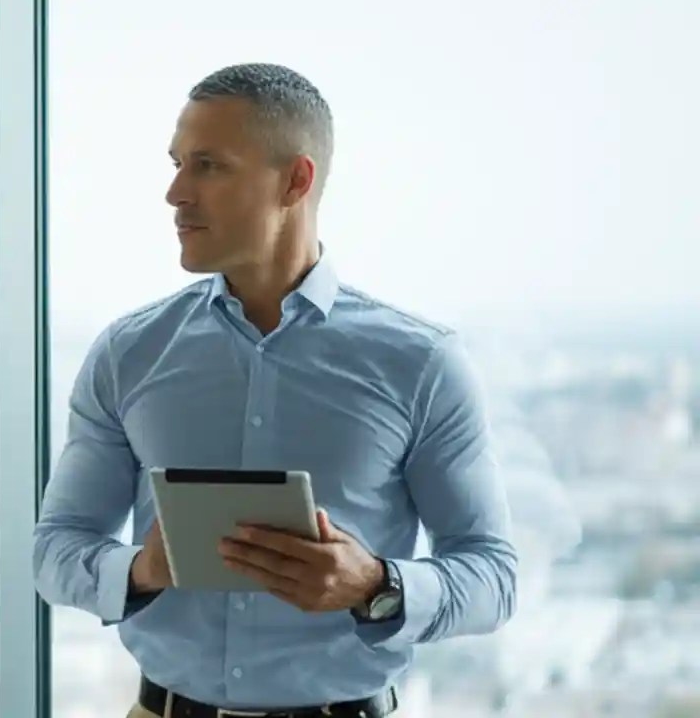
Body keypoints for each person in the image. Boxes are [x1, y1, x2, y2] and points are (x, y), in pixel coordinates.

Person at [32, 63, 518, 718]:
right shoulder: (129, 354)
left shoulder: (422, 363)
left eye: (208, 165)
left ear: (296, 179)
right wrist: (142, 571)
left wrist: (375, 584)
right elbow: (56, 548)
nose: (175, 192)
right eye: (177, 163)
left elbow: (492, 576)